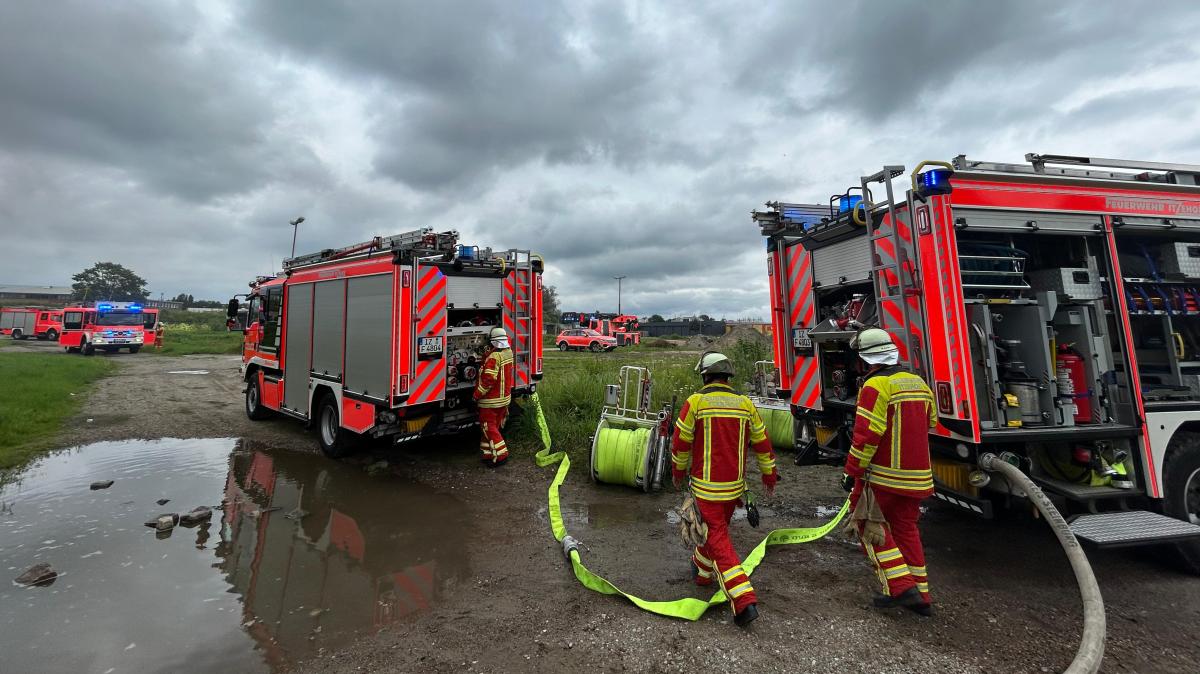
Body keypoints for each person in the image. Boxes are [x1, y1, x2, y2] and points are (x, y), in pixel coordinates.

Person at [671, 351, 778, 627]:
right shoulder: (745, 404)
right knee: (713, 534)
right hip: (733, 493)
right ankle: (701, 573)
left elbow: (680, 445)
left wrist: (677, 473)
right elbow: (763, 444)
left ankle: (744, 601)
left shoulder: (695, 403)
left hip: (706, 492)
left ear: (705, 376)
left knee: (718, 539)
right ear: (728, 376)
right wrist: (769, 476)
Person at [840, 328, 937, 617]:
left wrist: (852, 471)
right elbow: (930, 422)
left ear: (864, 360)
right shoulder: (918, 383)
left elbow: (867, 436)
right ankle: (921, 596)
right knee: (906, 529)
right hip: (918, 476)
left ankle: (901, 586)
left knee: (868, 526)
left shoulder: (876, 386)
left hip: (883, 478)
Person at [474, 327, 515, 466]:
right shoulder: (508, 353)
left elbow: (488, 381)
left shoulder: (494, 357)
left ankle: (502, 455)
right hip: (504, 400)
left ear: (493, 342)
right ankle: (488, 454)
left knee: (488, 427)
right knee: (493, 427)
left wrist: (476, 395)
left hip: (491, 401)